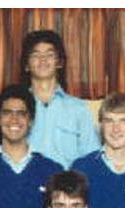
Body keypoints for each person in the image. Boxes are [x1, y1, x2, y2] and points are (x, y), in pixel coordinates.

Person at [20, 29, 100, 169]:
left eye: (49, 54)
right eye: (36, 54)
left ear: (60, 62)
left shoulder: (79, 108)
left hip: (66, 187)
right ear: (26, 65)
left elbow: (91, 159)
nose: (43, 60)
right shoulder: (17, 108)